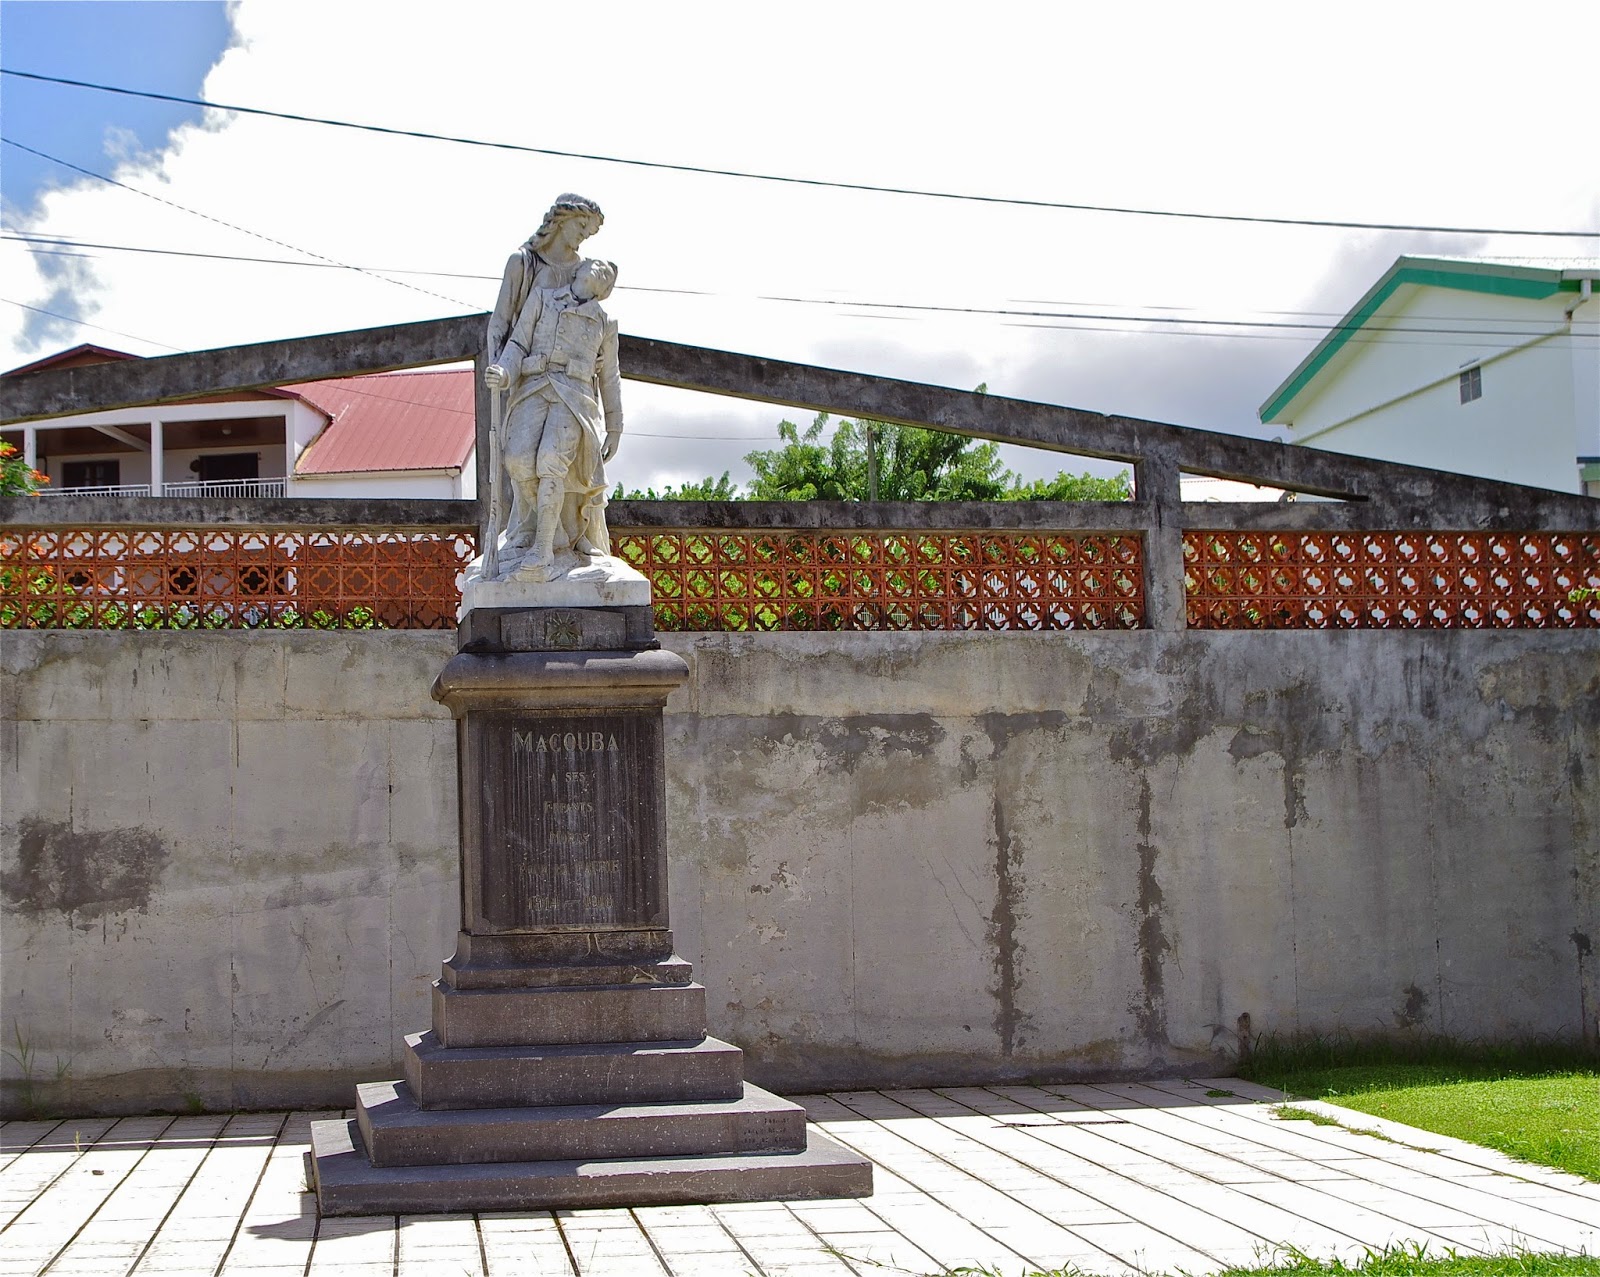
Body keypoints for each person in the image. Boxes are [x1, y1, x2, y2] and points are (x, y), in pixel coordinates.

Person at [484, 258, 623, 580]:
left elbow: (610, 376)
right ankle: (555, 532)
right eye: (596, 266)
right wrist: (504, 372)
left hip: (574, 398)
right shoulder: (543, 298)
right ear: (578, 269)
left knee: (550, 461)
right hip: (534, 387)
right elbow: (518, 342)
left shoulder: (605, 321)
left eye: (607, 275)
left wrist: (615, 425)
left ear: (605, 289)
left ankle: (543, 549)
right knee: (517, 460)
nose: (600, 271)